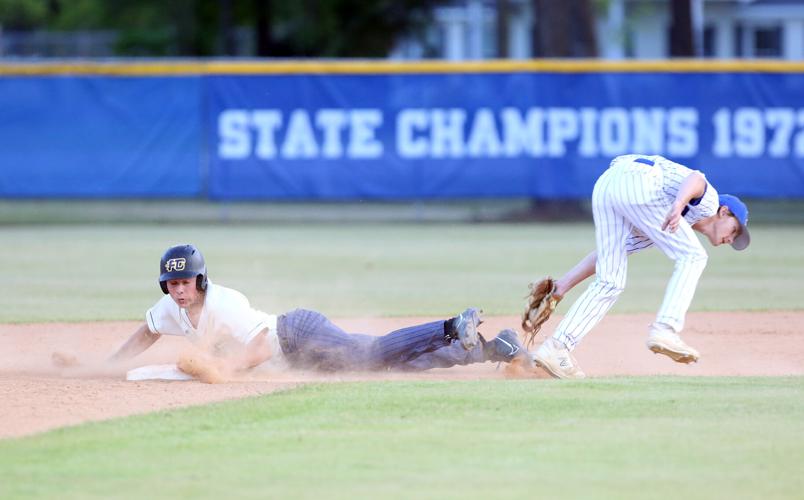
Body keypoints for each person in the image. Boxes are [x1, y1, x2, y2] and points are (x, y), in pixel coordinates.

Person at [110, 244, 529, 380]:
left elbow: (258, 348)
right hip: (300, 358)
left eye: (185, 282)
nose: (179, 289)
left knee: (374, 353)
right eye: (173, 283)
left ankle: (452, 326)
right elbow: (146, 333)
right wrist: (110, 364)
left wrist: (220, 371)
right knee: (388, 365)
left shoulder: (224, 301)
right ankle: (493, 350)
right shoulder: (170, 309)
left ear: (200, 281)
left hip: (296, 334)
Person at [533, 154, 751, 379]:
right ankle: (665, 329)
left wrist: (563, 285)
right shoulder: (710, 203)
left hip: (609, 185)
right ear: (724, 212)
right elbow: (697, 178)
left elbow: (608, 254)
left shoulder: (660, 222)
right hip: (640, 182)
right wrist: (678, 204)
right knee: (694, 256)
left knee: (611, 280)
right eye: (734, 230)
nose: (731, 239)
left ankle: (556, 348)